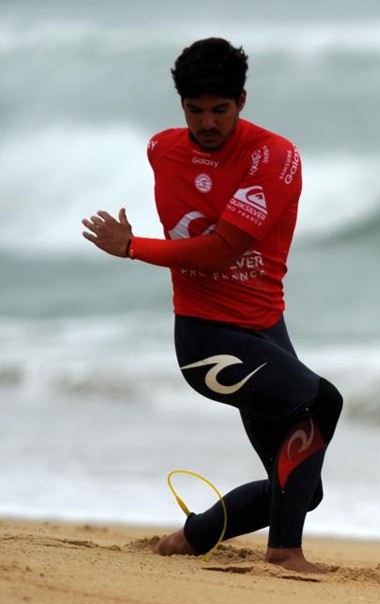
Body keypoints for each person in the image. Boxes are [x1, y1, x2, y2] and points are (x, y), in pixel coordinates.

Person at [81, 37, 342, 574]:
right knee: (322, 403)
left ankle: (191, 538)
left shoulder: (275, 156)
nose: (207, 122)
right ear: (181, 106)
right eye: (194, 110)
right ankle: (285, 555)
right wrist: (141, 243)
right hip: (207, 341)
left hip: (266, 329)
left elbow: (225, 246)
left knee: (298, 488)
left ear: (242, 101)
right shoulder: (162, 149)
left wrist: (133, 247)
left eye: (219, 110)